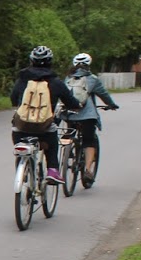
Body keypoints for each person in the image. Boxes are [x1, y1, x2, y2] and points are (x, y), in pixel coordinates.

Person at [10, 46, 80, 184]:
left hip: (21, 127)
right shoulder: (56, 82)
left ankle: (23, 174)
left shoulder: (22, 80)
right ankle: (52, 170)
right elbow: (71, 102)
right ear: (50, 62)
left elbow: (13, 99)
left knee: (21, 149)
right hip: (44, 128)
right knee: (52, 141)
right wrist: (76, 106)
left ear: (31, 61)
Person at [63, 52, 119, 185]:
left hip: (70, 113)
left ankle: (67, 152)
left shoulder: (67, 78)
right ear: (89, 65)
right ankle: (88, 170)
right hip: (87, 116)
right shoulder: (92, 79)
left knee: (69, 132)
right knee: (89, 140)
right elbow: (104, 95)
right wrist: (111, 105)